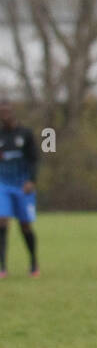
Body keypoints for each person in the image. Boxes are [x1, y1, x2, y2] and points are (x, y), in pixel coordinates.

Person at [0, 100, 39, 278]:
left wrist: (32, 180)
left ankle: (33, 263)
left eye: (6, 111)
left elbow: (34, 159)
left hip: (23, 185)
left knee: (25, 225)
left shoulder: (25, 134)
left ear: (13, 112)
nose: (4, 115)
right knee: (2, 220)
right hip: (3, 184)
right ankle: (2, 267)